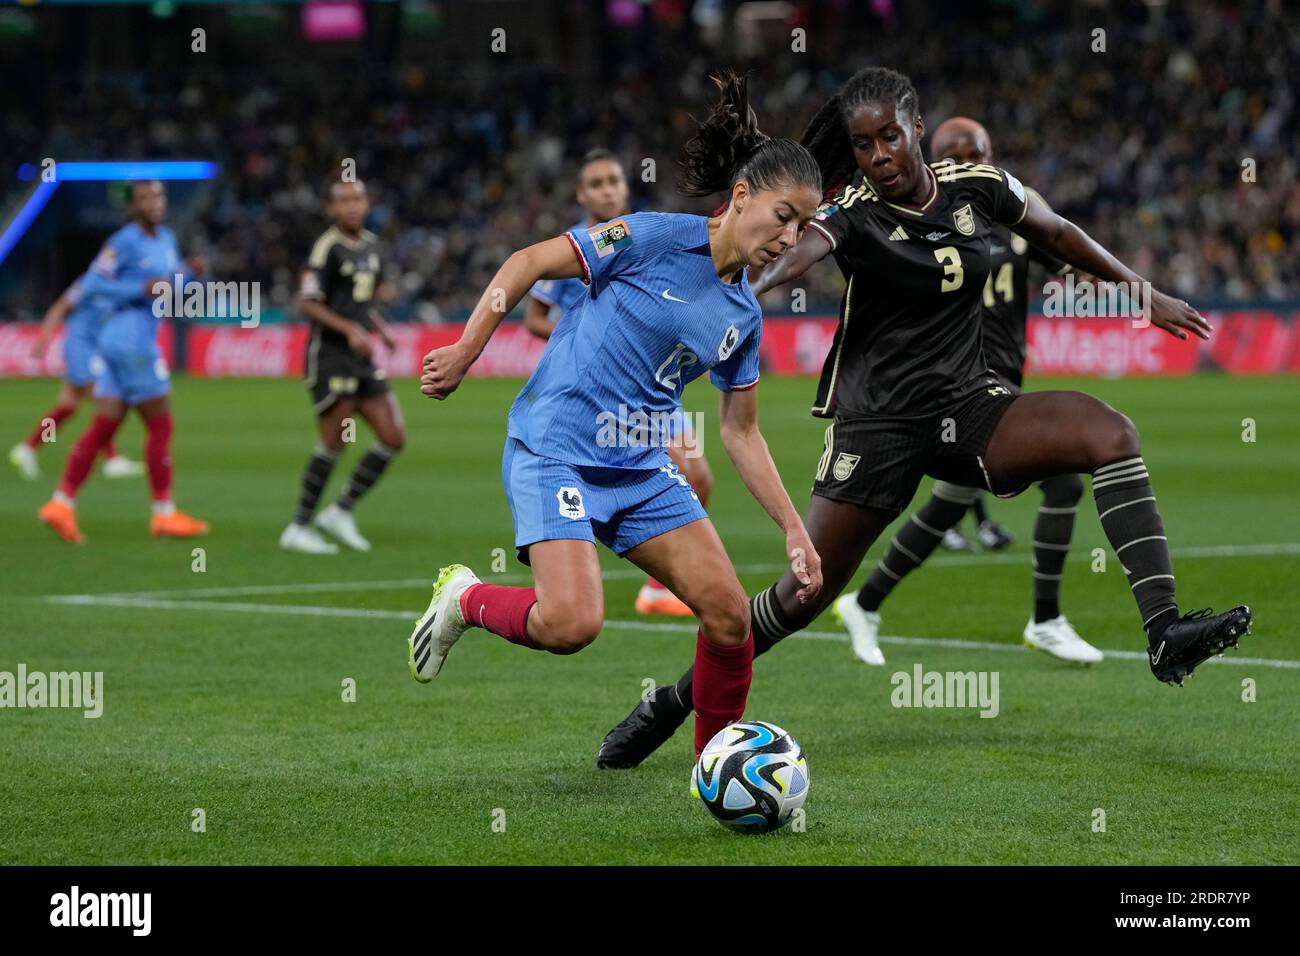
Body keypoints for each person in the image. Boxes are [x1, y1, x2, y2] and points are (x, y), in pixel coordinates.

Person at [597, 67, 1251, 769]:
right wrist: (736, 289)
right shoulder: (849, 210)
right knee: (800, 596)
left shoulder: (979, 186)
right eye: (864, 143)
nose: (879, 155)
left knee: (1109, 431)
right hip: (876, 429)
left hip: (969, 409)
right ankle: (670, 704)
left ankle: (1163, 632)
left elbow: (1057, 232)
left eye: (889, 137)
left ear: (916, 126)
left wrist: (1138, 292)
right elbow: (792, 260)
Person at [410, 72, 825, 759]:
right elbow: (526, 261)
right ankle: (465, 598)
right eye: (784, 215)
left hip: (639, 465)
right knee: (571, 624)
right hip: (556, 448)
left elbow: (740, 431)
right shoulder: (653, 237)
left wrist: (793, 530)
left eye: (804, 225)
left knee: (729, 619)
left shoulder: (743, 314)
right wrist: (465, 350)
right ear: (743, 196)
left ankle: (712, 769)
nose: (791, 237)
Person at [836, 116, 1102, 666]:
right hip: (958, 391)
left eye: (974, 152)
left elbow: (1066, 256)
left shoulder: (1010, 216)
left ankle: (866, 601)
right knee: (1065, 484)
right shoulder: (913, 226)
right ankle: (1046, 619)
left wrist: (1113, 288)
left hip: (998, 386)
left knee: (945, 509)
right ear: (931, 159)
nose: (963, 162)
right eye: (951, 154)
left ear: (991, 153)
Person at [523, 147, 714, 617]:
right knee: (639, 473)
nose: (608, 189)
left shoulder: (643, 238)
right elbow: (533, 318)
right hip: (603, 390)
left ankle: (655, 586)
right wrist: (586, 337)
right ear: (582, 194)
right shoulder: (572, 245)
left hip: (654, 385)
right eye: (597, 184)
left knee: (700, 476)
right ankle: (591, 555)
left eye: (614, 181)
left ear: (625, 187)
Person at [37, 180, 208, 543]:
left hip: (125, 343)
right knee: (161, 426)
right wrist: (137, 288)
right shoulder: (122, 242)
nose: (155, 203)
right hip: (129, 343)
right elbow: (94, 286)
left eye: (159, 196)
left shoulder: (166, 240)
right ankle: (163, 513)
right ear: (131, 206)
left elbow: (169, 286)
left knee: (104, 427)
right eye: (145, 198)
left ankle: (61, 503)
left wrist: (191, 275)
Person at [280, 178, 405, 555]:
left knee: (392, 436)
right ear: (331, 209)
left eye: (358, 199)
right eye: (344, 201)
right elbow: (308, 302)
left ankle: (340, 510)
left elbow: (364, 302)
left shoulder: (372, 246)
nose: (352, 206)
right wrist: (350, 329)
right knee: (335, 441)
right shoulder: (327, 248)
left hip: (363, 358)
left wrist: (380, 330)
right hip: (331, 357)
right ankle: (298, 526)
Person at [10, 278, 144, 481]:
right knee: (104, 402)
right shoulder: (91, 282)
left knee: (68, 407)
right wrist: (44, 336)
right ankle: (112, 459)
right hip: (79, 349)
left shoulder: (120, 286)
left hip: (92, 349)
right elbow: (60, 307)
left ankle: (29, 448)